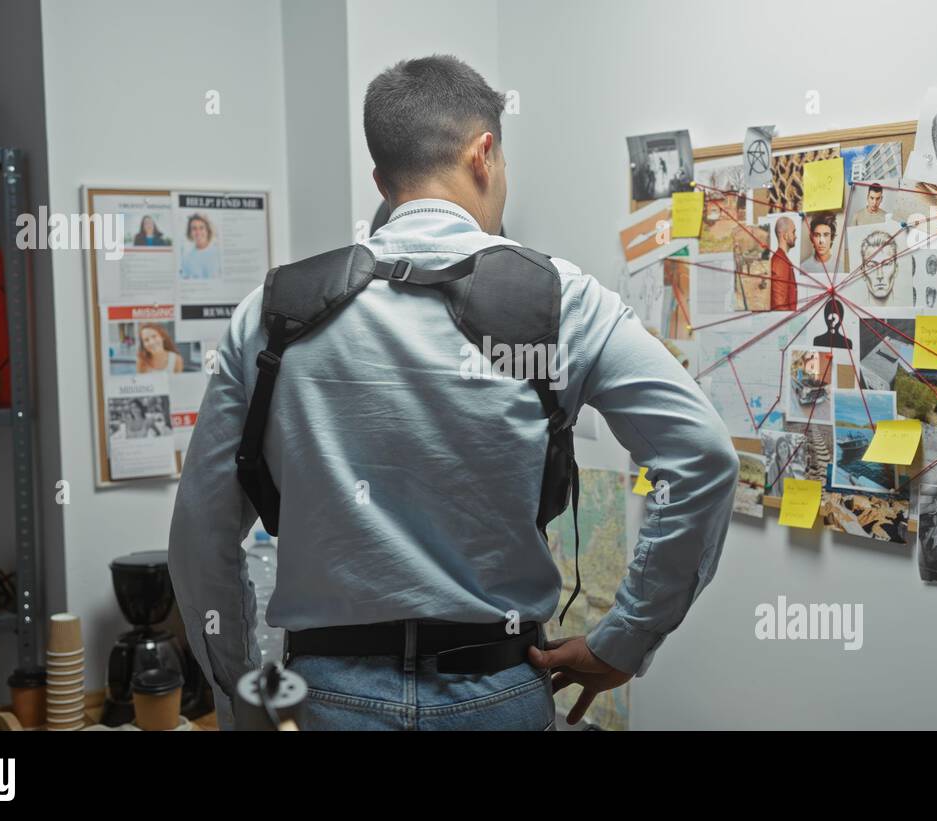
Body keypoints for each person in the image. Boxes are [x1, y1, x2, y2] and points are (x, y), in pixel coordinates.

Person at [168, 55, 738, 731]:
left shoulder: (271, 312)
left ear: (380, 179)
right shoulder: (562, 302)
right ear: (483, 153)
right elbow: (703, 457)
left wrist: (241, 691)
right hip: (498, 694)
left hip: (326, 698)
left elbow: (200, 535)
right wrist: (626, 637)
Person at [179, 213, 222, 279]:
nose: (198, 232)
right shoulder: (186, 259)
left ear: (207, 230)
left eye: (201, 228)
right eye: (194, 228)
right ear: (190, 233)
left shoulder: (219, 253)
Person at [769, 216, 798, 310]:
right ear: (785, 235)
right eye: (793, 232)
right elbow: (780, 305)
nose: (795, 236)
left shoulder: (781, 259)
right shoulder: (781, 262)